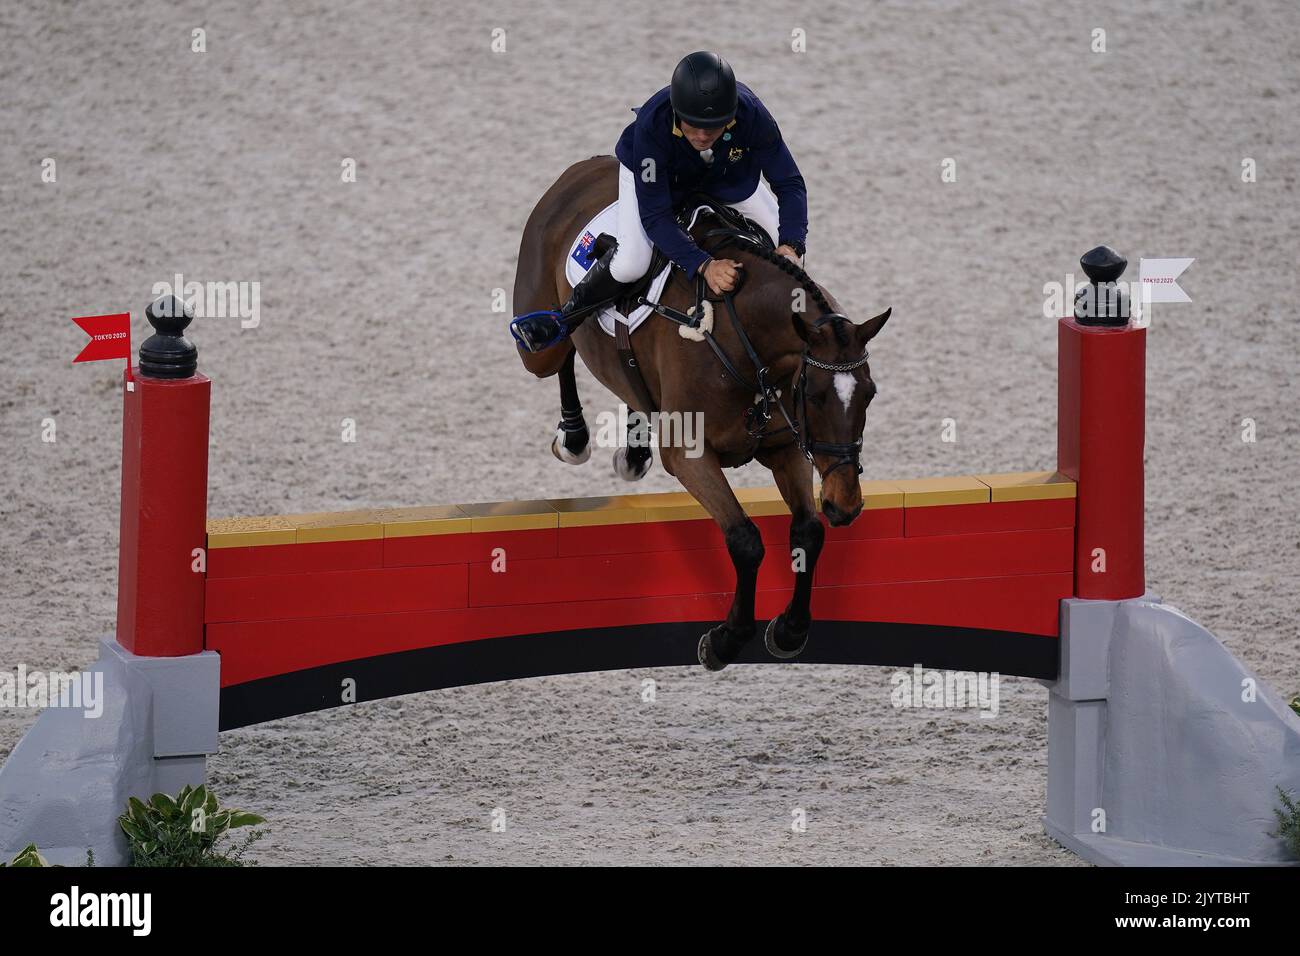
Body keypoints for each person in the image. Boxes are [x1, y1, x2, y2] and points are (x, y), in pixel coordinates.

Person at [512, 51, 809, 352]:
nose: (704, 135)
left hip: (725, 178)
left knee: (788, 260)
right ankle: (564, 318)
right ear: (678, 112)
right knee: (631, 263)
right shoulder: (653, 126)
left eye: (714, 126)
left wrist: (792, 245)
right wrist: (704, 265)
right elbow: (656, 217)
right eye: (694, 125)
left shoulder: (753, 114)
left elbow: (789, 183)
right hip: (665, 180)